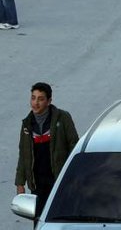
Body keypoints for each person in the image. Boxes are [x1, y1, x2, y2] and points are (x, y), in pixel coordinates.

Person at [16, 83, 79, 219]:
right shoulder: (27, 124)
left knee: (59, 218)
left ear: (49, 101)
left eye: (40, 99)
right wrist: (20, 183)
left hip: (58, 181)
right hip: (37, 184)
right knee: (39, 219)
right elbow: (23, 155)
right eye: (33, 98)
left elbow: (74, 146)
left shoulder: (63, 118)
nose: (35, 103)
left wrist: (71, 176)